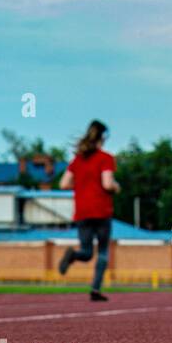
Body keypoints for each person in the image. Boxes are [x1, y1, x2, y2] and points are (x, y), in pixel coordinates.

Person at [57, 120, 121, 301]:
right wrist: (116, 187)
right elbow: (107, 183)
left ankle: (74, 255)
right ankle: (95, 289)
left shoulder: (77, 160)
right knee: (102, 252)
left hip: (82, 211)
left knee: (86, 252)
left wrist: (82, 186)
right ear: (102, 138)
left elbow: (63, 184)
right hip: (101, 210)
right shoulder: (105, 158)